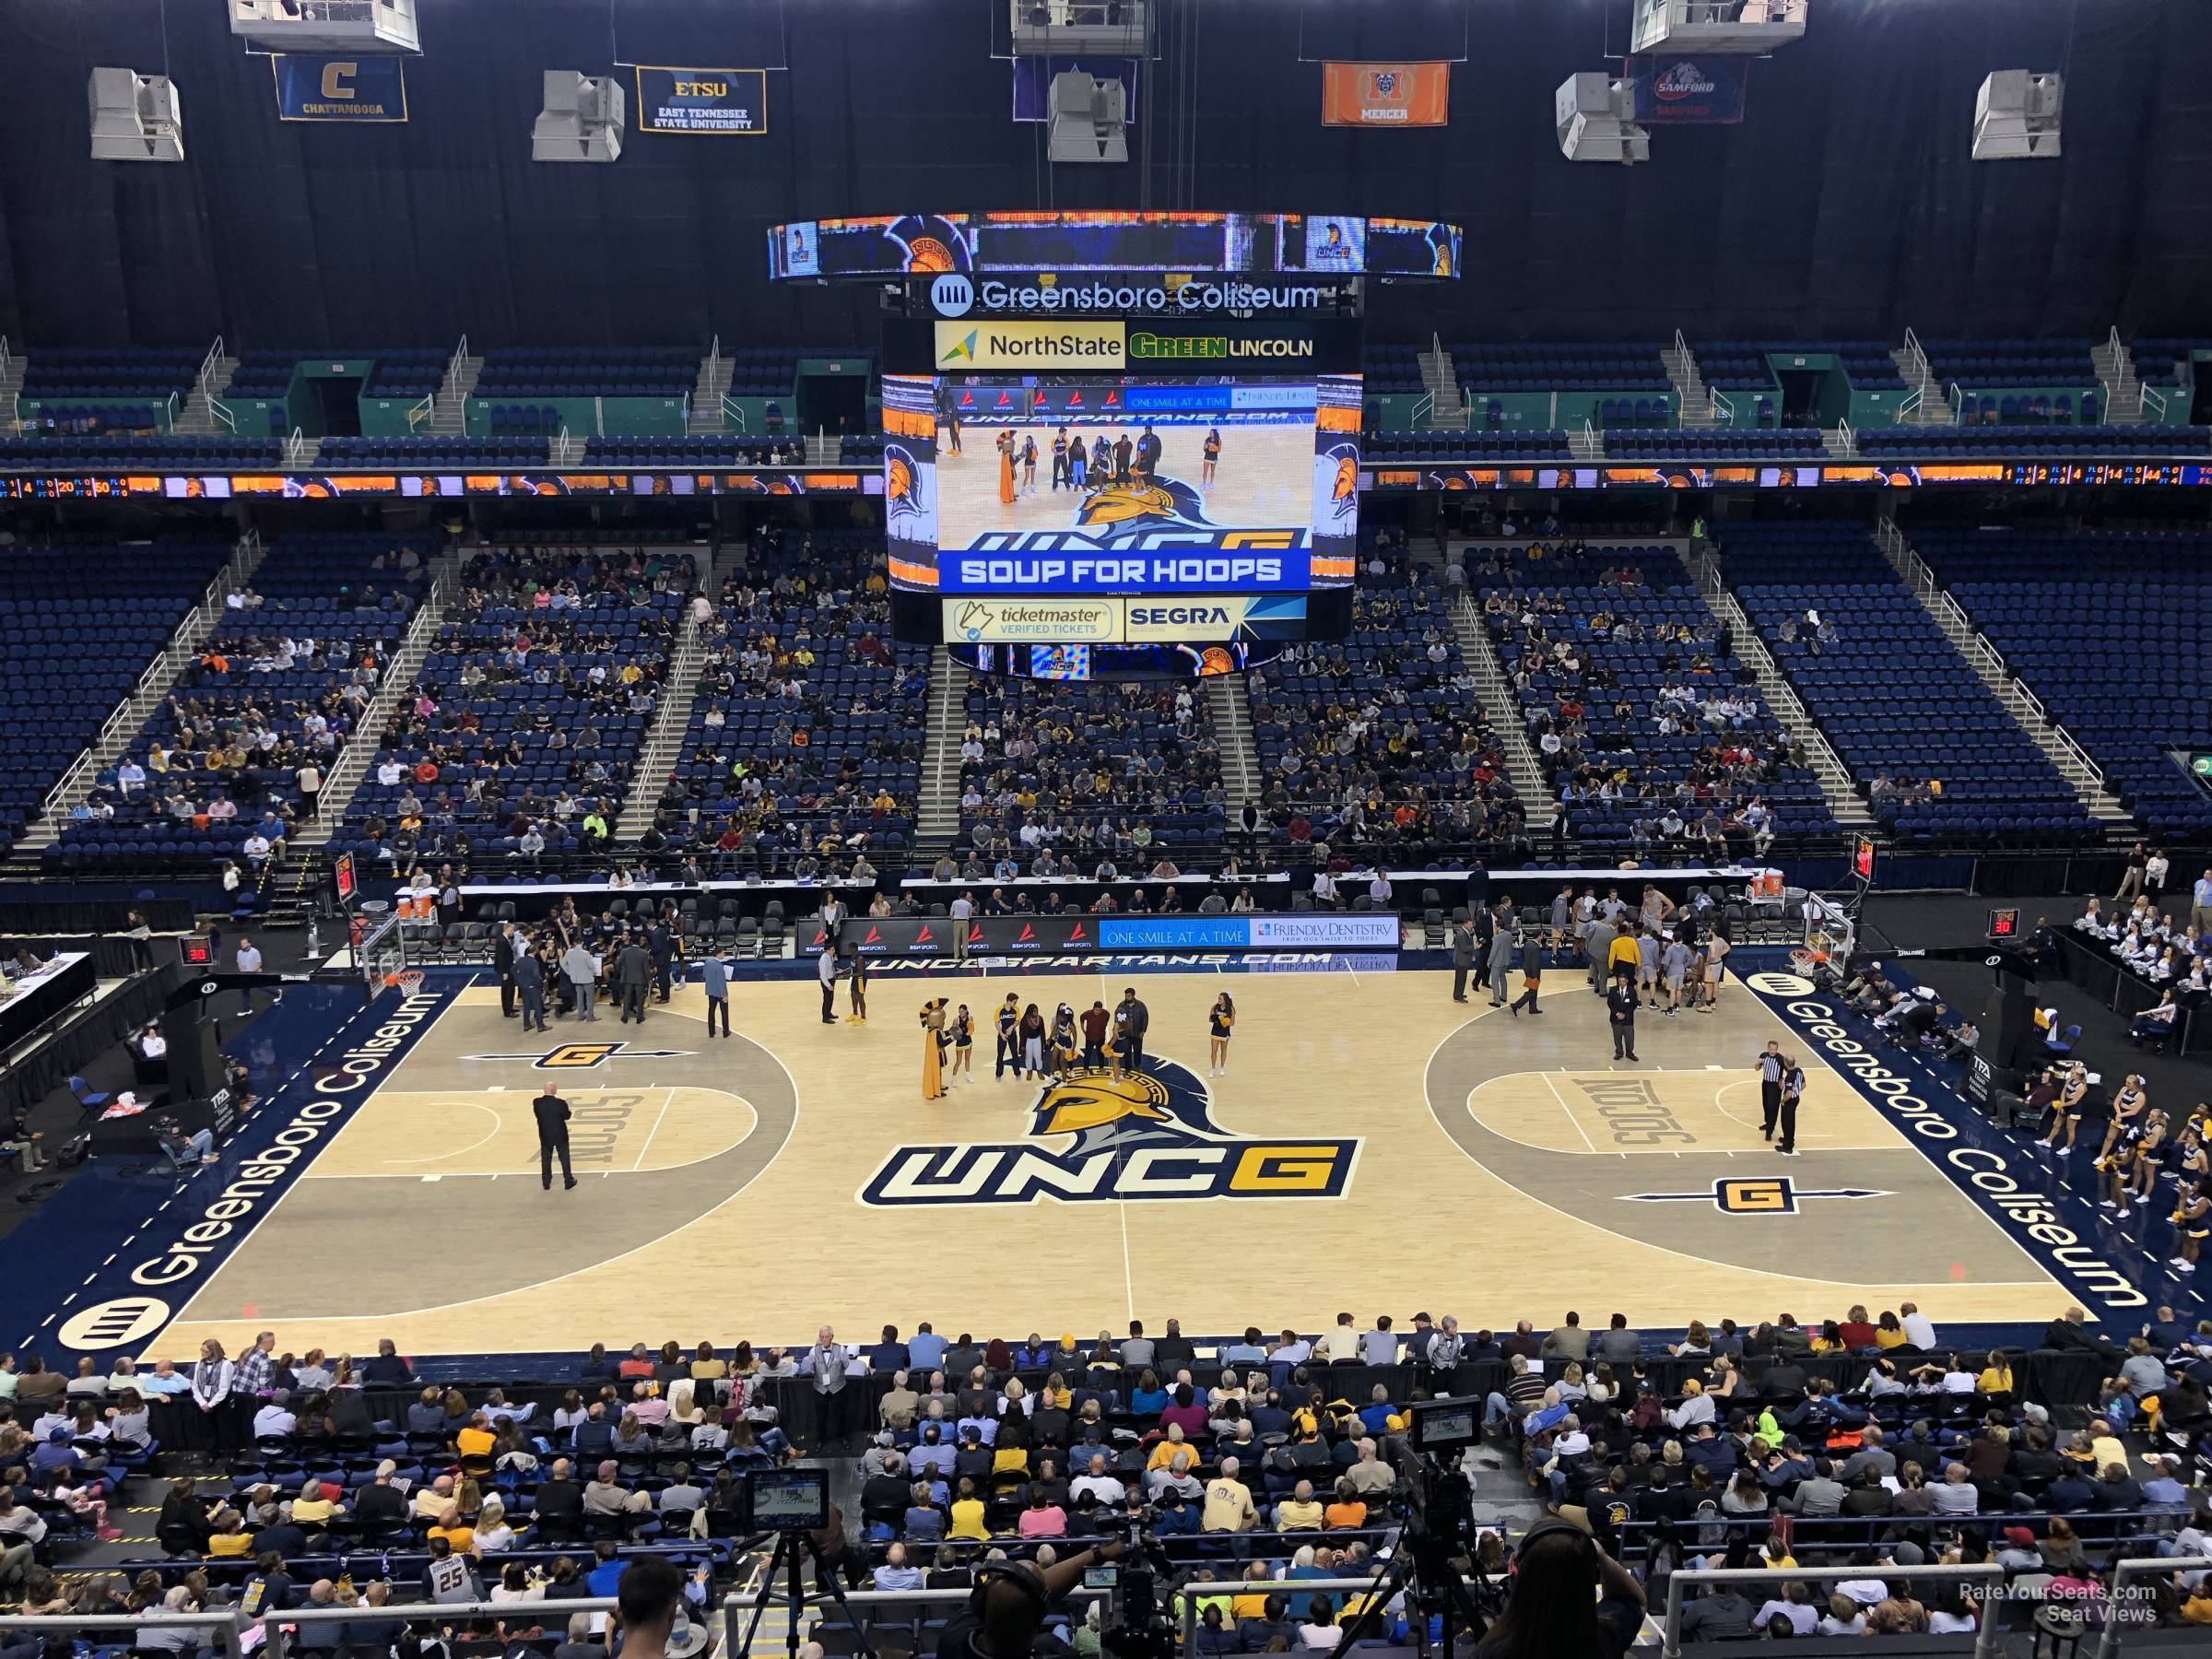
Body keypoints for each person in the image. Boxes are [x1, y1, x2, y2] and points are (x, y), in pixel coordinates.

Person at [1462, 1524, 1643, 1659]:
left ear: (1517, 1577)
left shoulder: (1491, 1651)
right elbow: (1635, 1600)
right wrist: (1601, 1556)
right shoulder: (1605, 1636)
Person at [535, 1085, 575, 1193]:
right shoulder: (560, 1103)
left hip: (545, 1135)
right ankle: (568, 1180)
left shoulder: (537, 1103)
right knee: (564, 1158)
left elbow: (538, 1115)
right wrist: (569, 1111)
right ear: (553, 1090)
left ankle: (546, 1182)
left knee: (546, 1158)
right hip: (560, 1135)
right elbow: (566, 1116)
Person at [561, 938, 601, 1022]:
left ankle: (580, 1015)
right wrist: (594, 973)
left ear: (574, 943)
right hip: (587, 978)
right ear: (582, 942)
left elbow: (563, 963)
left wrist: (569, 972)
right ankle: (590, 1016)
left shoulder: (569, 952)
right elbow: (591, 965)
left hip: (576, 979)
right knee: (590, 998)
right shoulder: (586, 953)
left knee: (579, 997)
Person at [617, 935, 653, 1025]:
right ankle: (639, 1017)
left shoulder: (625, 951)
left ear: (631, 941)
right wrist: (649, 979)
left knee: (627, 997)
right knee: (640, 998)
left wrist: (622, 971)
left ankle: (625, 1016)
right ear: (639, 942)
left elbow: (617, 963)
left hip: (627, 977)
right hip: (640, 978)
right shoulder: (644, 953)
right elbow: (646, 968)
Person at [1776, 1054, 1806, 1157]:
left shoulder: (1789, 1077)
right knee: (1789, 1121)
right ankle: (1787, 1139)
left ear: (1785, 1063)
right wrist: (1796, 1092)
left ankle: (1788, 1147)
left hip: (1789, 1101)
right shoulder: (1799, 1070)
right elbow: (1804, 1085)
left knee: (1787, 1122)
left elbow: (1788, 1094)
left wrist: (1783, 1101)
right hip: (1796, 1098)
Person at [513, 947, 547, 1034]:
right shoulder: (534, 962)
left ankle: (526, 1025)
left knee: (527, 1006)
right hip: (533, 987)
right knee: (537, 1006)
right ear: (535, 952)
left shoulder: (521, 960)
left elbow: (513, 970)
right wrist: (540, 983)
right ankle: (541, 1026)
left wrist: (519, 981)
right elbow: (536, 975)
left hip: (524, 987)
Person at [1116, 986, 1149, 1073]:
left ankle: (1138, 1066)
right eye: (1126, 996)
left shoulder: (1141, 1005)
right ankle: (1128, 1068)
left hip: (1137, 1034)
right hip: (1126, 1035)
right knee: (1127, 1052)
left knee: (1138, 1051)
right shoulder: (1121, 1005)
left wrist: (1143, 1031)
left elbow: (1145, 1018)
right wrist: (1119, 1031)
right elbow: (1117, 1019)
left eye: (1129, 996)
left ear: (1133, 995)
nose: (1127, 998)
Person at [1606, 975, 1639, 1062]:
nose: (1621, 983)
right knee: (1617, 1037)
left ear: (1627, 981)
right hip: (1615, 1019)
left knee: (1629, 1038)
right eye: (1620, 981)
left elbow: (1634, 1004)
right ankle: (1619, 1052)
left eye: (1623, 981)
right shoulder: (1613, 990)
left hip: (1628, 1019)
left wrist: (1625, 1014)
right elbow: (1610, 1003)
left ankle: (1629, 1053)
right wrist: (1617, 1013)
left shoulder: (1631, 991)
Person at [1756, 1041, 1784, 1141]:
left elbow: (1788, 1070)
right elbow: (1757, 1069)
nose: (1773, 1051)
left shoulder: (1781, 1059)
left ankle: (1769, 1132)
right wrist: (1757, 1063)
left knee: (1773, 1108)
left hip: (1775, 1086)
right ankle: (1768, 1123)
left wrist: (1783, 1082)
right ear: (1768, 1048)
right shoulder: (1763, 1055)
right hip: (1765, 1083)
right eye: (1771, 1049)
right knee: (1766, 1105)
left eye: (1775, 1049)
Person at [699, 948, 730, 1038]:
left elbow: (704, 975)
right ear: (718, 954)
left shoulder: (708, 962)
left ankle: (711, 1032)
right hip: (720, 993)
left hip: (711, 991)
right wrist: (724, 995)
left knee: (711, 1011)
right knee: (724, 1012)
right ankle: (725, 1032)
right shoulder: (719, 967)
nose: (724, 955)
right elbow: (721, 983)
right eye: (723, 953)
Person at [921, 998, 947, 1100]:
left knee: (939, 1071)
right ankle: (937, 1089)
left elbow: (943, 1035)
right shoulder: (935, 1032)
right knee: (938, 1071)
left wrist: (950, 1031)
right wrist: (954, 1038)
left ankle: (938, 1085)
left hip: (938, 1053)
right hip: (938, 1054)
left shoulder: (932, 1031)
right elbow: (942, 1042)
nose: (944, 1022)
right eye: (943, 1020)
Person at [1207, 993, 1234, 1078]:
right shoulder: (1214, 1007)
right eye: (1218, 998)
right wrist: (1215, 1018)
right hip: (1215, 1032)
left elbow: (1233, 1023)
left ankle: (1222, 1067)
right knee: (1214, 1051)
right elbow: (1210, 1019)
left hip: (1225, 1032)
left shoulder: (1231, 1009)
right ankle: (1212, 1068)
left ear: (1225, 1000)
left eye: (1220, 999)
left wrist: (1225, 1021)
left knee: (1223, 1050)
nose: (1218, 1000)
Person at [1451, 916, 1477, 1004]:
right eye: (1470, 924)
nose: (1472, 926)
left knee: (1461, 978)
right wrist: (1474, 947)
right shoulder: (1462, 934)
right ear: (1465, 924)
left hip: (1463, 959)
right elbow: (1464, 948)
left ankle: (1458, 994)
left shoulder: (1466, 931)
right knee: (1460, 979)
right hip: (1461, 960)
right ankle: (1458, 997)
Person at [817, 943, 840, 1026]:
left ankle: (828, 1013)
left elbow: (830, 968)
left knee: (831, 998)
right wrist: (828, 985)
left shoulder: (830, 956)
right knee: (827, 999)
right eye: (832, 950)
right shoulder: (823, 960)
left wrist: (836, 971)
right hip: (827, 981)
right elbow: (822, 975)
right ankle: (825, 1018)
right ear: (827, 950)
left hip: (831, 979)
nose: (834, 951)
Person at [847, 950, 869, 1024]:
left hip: (860, 980)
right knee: (853, 995)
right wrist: (843, 971)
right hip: (854, 979)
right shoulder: (853, 957)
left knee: (860, 998)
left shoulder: (859, 958)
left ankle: (863, 1017)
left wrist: (848, 975)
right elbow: (852, 967)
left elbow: (860, 973)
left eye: (850, 948)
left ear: (853, 948)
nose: (849, 950)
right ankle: (855, 1013)